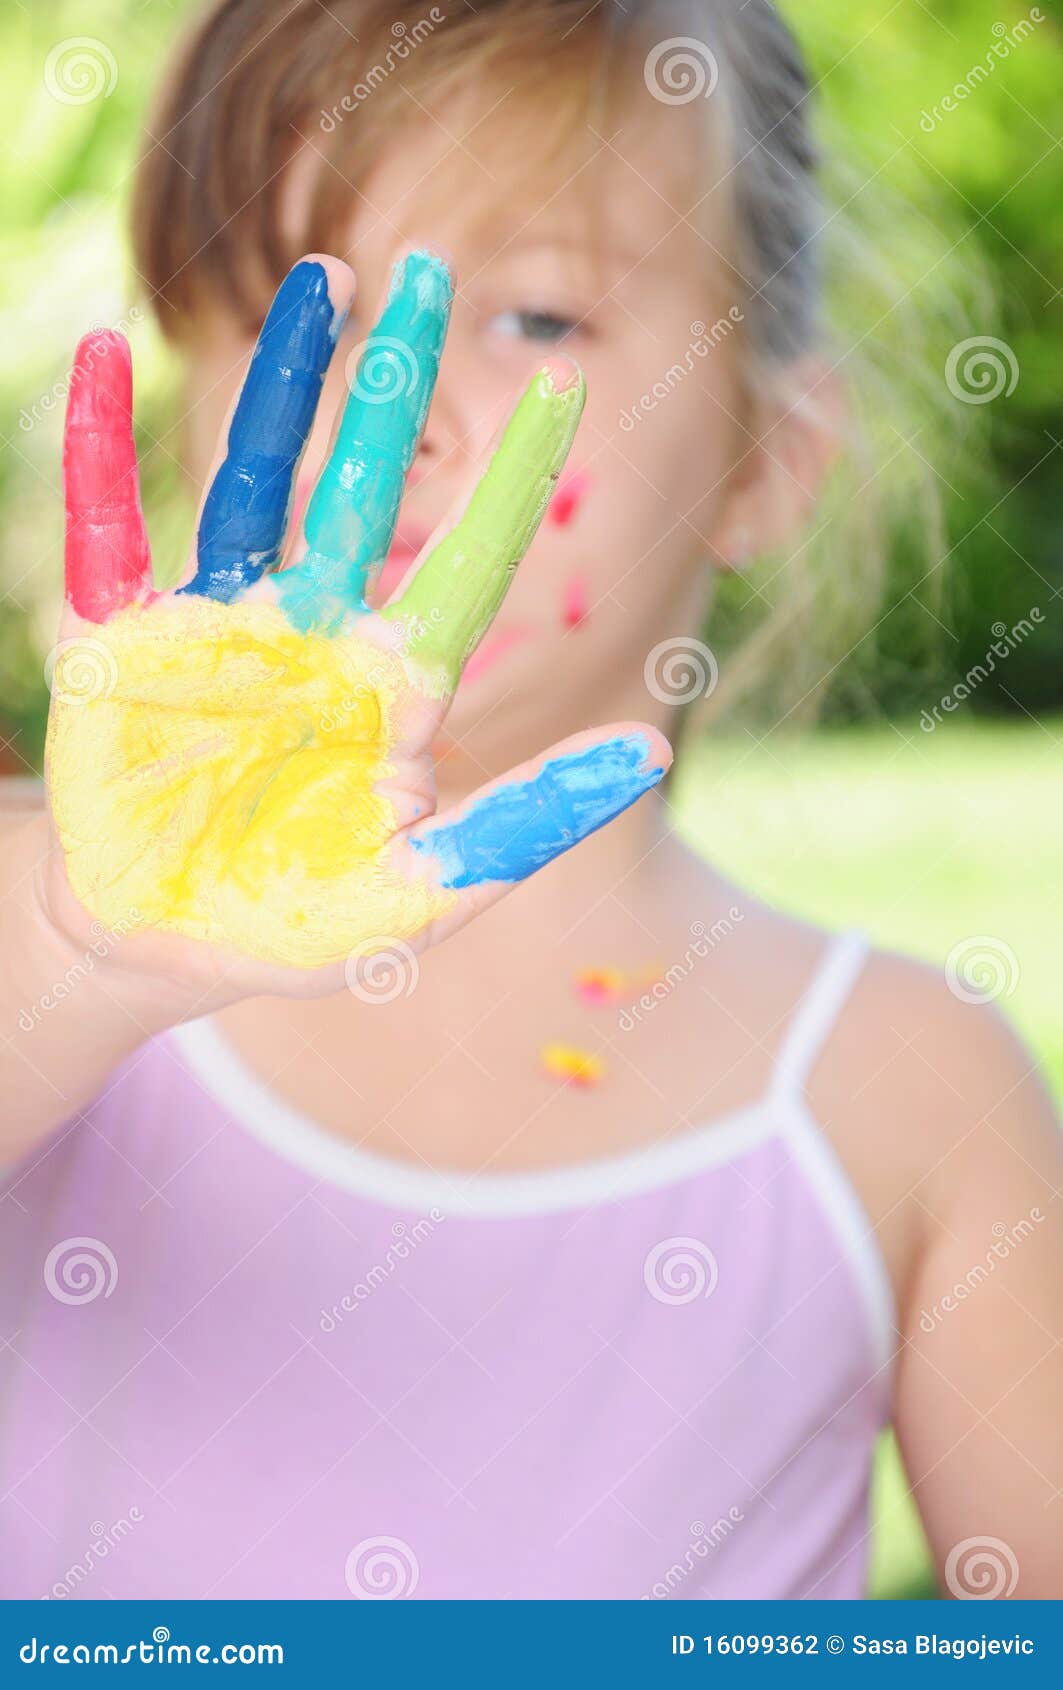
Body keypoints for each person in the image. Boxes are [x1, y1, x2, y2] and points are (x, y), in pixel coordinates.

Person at [1, 0, 1059, 1601]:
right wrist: (75, 953)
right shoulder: (49, 942)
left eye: (537, 320)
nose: (397, 410)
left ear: (769, 453)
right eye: (309, 308)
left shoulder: (908, 1090)